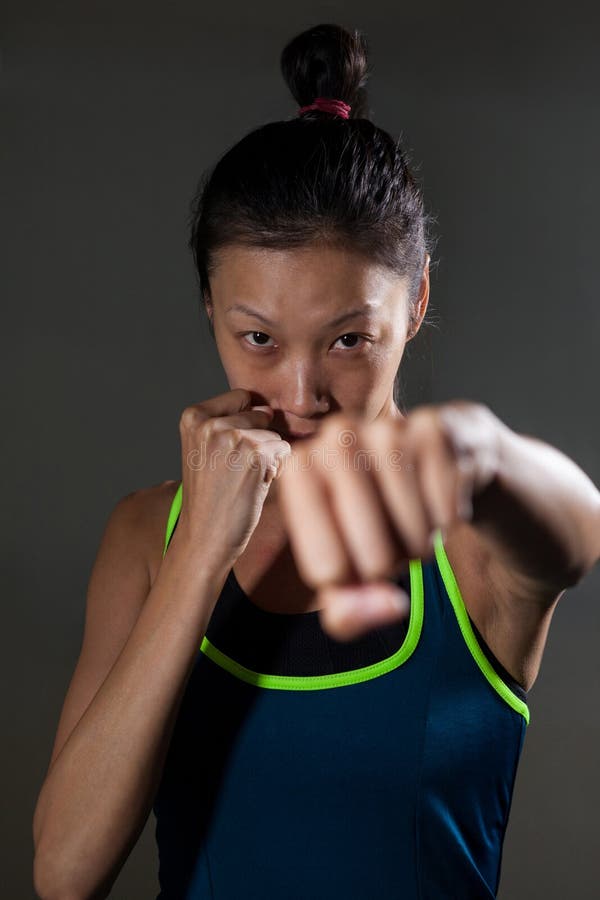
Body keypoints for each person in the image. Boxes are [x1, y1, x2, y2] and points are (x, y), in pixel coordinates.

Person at [32, 22, 600, 900]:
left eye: (347, 339)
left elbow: (581, 535)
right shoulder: (149, 535)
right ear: (210, 308)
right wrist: (199, 559)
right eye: (256, 336)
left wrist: (480, 447)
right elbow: (65, 873)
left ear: (413, 305)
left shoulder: (470, 537)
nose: (299, 391)